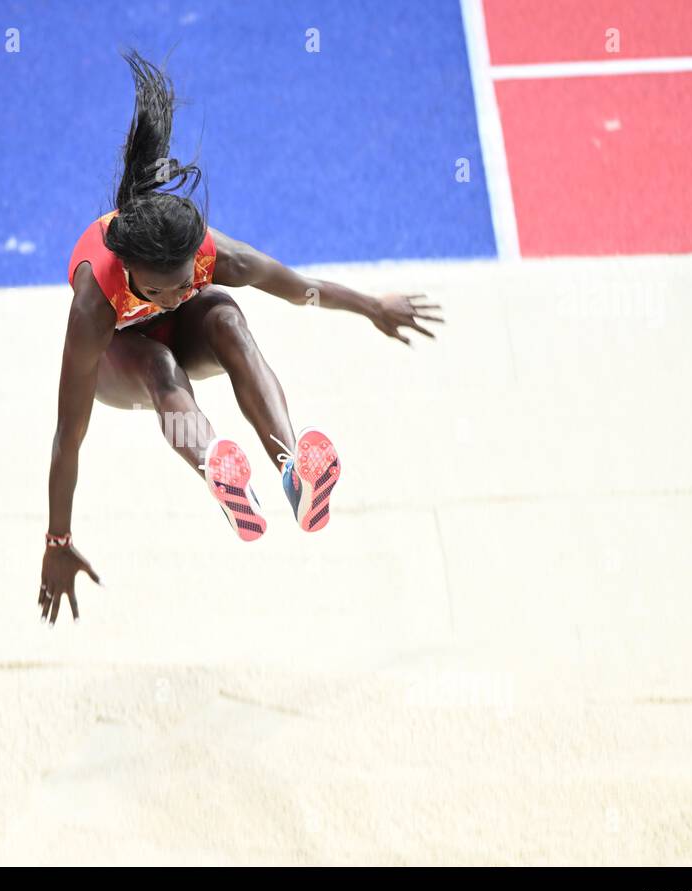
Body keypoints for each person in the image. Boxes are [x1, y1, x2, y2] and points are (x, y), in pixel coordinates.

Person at [39, 51, 443, 626]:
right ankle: (216, 470)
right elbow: (68, 437)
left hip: (187, 340)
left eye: (185, 283)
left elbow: (299, 288)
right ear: (129, 272)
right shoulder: (93, 305)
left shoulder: (210, 254)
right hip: (120, 362)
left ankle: (291, 469)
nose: (180, 294)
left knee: (226, 316)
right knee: (158, 362)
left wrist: (370, 306)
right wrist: (59, 539)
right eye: (162, 291)